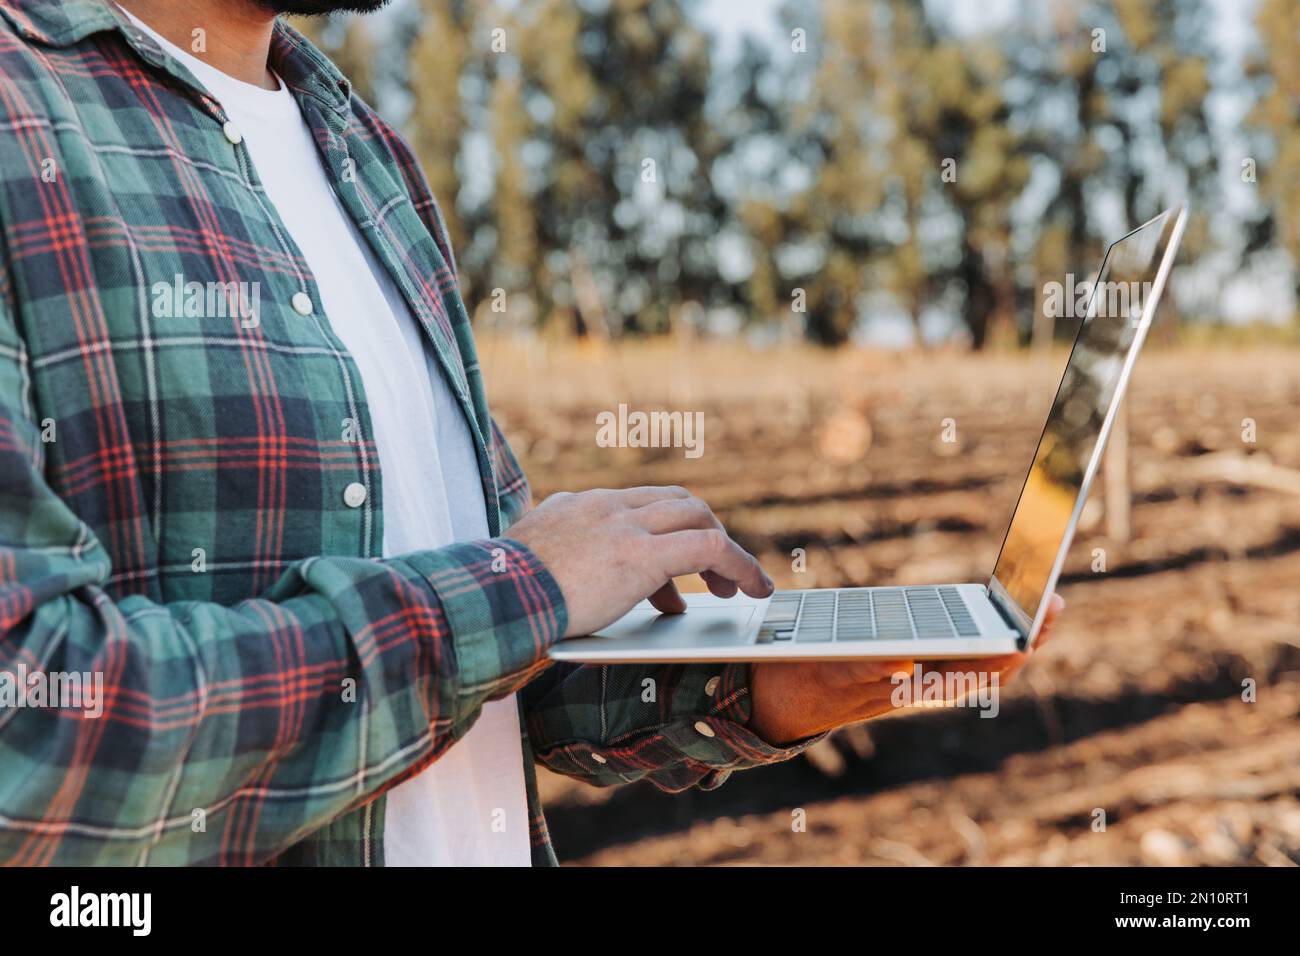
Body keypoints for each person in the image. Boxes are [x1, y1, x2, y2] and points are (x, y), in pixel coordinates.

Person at [0, 0, 1061, 866]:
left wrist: (765, 686)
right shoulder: (20, 115)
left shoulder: (357, 143)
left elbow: (496, 656)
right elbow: (30, 732)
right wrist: (522, 584)